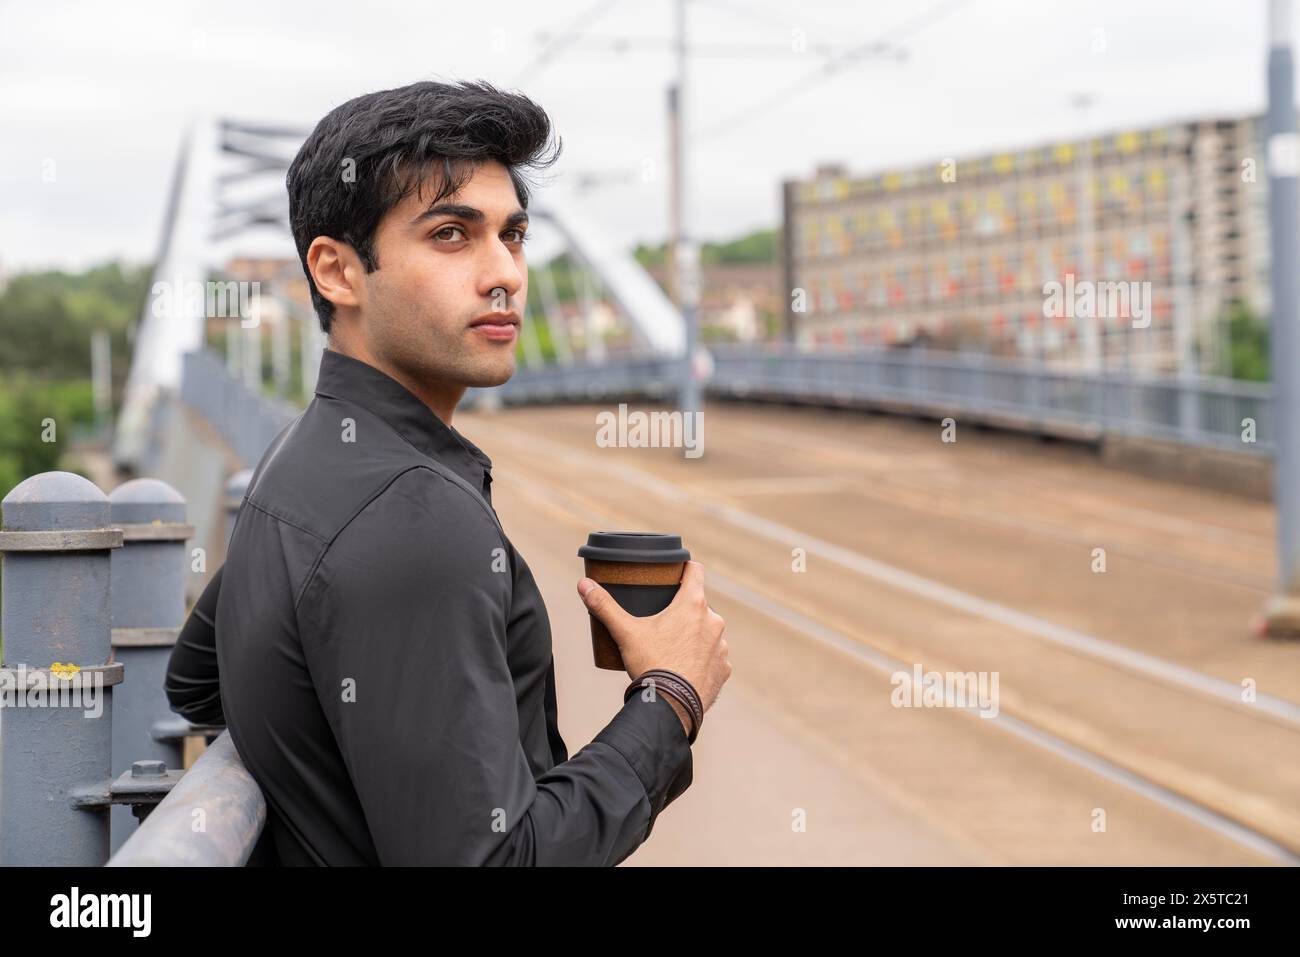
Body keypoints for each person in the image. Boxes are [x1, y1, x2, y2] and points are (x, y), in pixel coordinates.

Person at [165, 79, 731, 866]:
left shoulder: (299, 457)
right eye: (452, 236)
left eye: (514, 234)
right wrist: (671, 696)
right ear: (336, 272)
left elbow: (196, 683)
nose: (505, 272)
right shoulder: (414, 515)